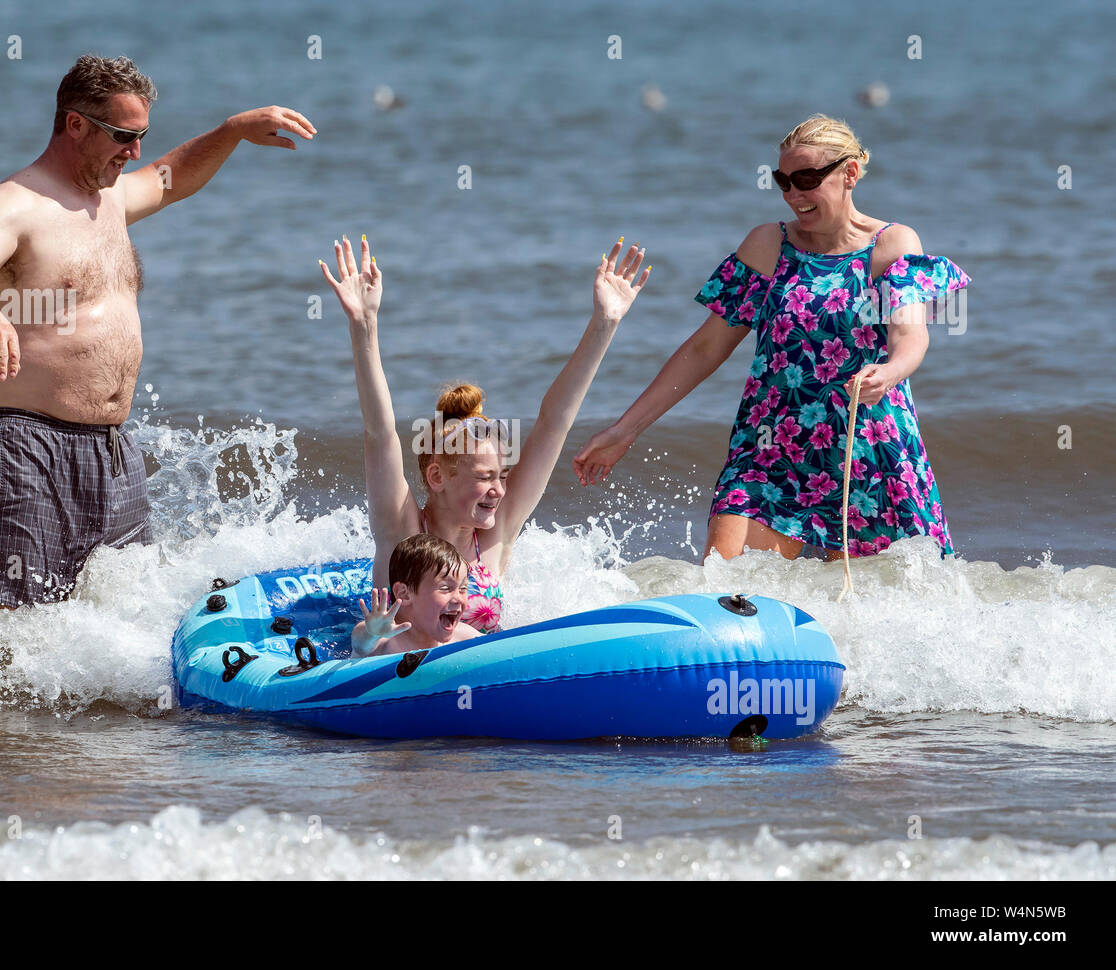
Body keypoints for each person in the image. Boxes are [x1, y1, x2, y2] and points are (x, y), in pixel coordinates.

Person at [0, 55, 316, 605]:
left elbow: (169, 179)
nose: (133, 151)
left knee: (120, 622)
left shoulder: (110, 197)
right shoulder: (15, 205)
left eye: (141, 137)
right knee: (5, 623)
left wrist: (231, 133)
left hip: (111, 452)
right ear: (75, 123)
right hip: (24, 447)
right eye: (123, 136)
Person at [573, 115, 970, 562]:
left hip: (867, 448)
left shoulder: (892, 246)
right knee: (724, 581)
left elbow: (910, 335)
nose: (793, 195)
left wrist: (892, 370)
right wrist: (626, 429)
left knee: (865, 608)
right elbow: (705, 349)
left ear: (850, 174)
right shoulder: (768, 245)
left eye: (806, 179)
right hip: (767, 448)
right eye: (783, 181)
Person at [320, 234, 650, 632]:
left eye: (502, 476)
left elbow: (553, 425)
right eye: (483, 477)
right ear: (438, 476)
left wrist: (604, 324)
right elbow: (380, 433)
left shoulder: (497, 532)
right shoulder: (403, 531)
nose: (499, 490)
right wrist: (364, 326)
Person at [351, 534, 481, 657]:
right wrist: (372, 633)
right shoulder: (385, 641)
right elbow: (360, 645)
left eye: (463, 588)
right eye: (445, 588)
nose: (458, 598)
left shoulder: (463, 637)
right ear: (404, 594)